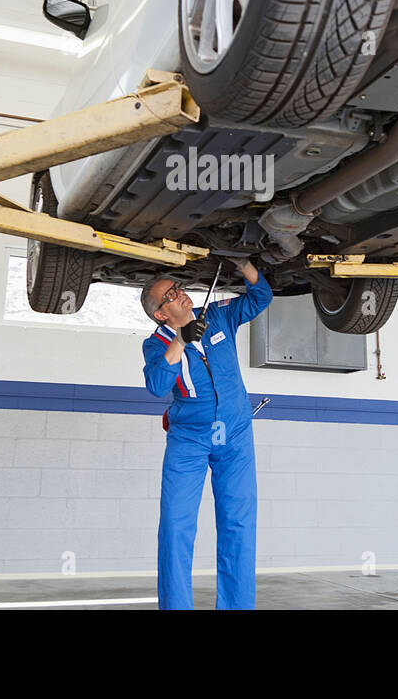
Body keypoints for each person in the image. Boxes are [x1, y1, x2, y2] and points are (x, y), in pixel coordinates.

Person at [140, 257, 271, 610]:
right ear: (160, 315)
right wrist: (181, 340)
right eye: (170, 294)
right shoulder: (155, 344)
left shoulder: (217, 315)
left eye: (178, 287)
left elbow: (261, 298)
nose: (180, 294)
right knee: (176, 527)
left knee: (239, 525)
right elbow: (156, 383)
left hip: (236, 434)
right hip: (189, 441)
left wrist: (244, 265)